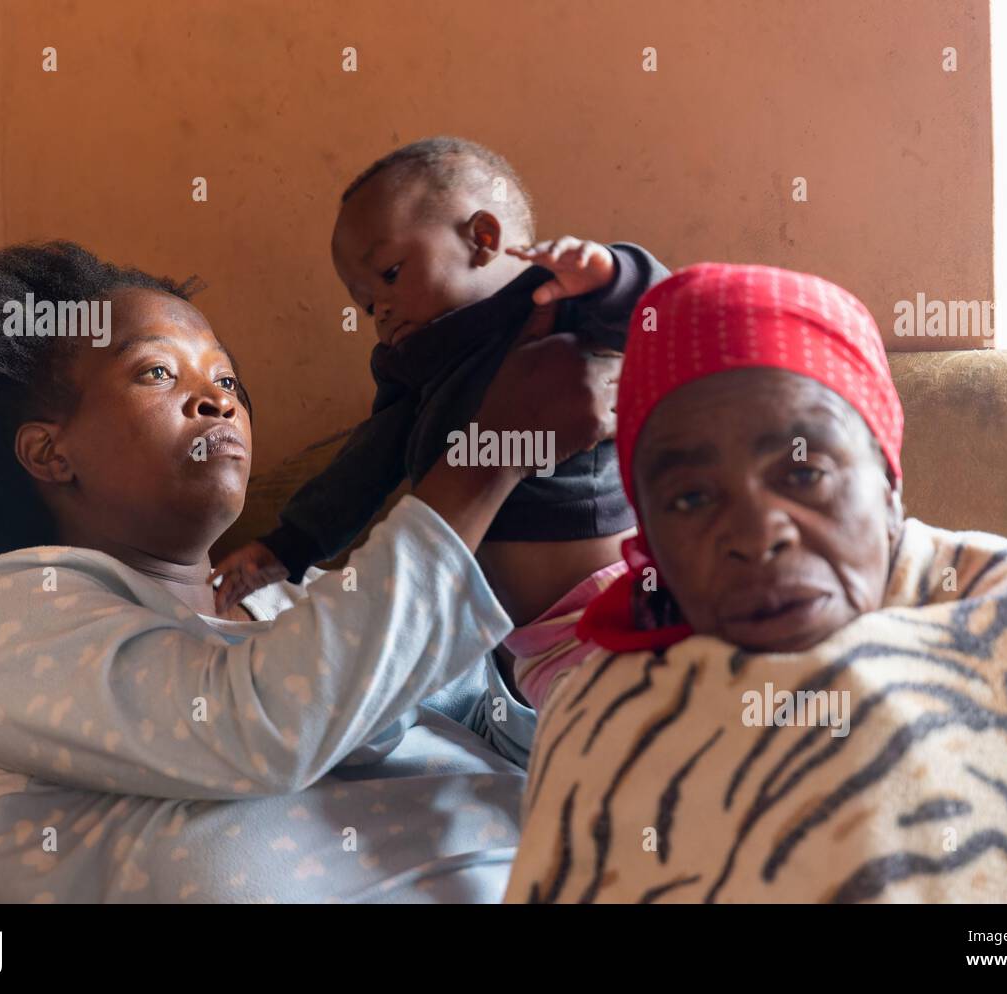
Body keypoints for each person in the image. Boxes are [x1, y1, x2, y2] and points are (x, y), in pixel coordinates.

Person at [0, 240, 618, 903]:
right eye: (157, 372)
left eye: (226, 379)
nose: (217, 399)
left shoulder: (315, 608)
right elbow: (260, 727)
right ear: (49, 453)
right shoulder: (0, 613)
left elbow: (536, 740)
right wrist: (487, 460)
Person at [505, 263, 1007, 903]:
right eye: (691, 497)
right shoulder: (606, 718)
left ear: (888, 480)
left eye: (804, 472)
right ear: (648, 538)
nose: (757, 534)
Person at [212, 137, 669, 716]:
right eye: (363, 303)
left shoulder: (553, 305)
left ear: (482, 238)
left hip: (615, 599)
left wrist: (615, 272)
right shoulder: (414, 373)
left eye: (391, 273)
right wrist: (289, 545)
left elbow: (668, 315)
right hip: (527, 650)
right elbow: (364, 467)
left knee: (676, 721)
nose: (379, 310)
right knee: (601, 757)